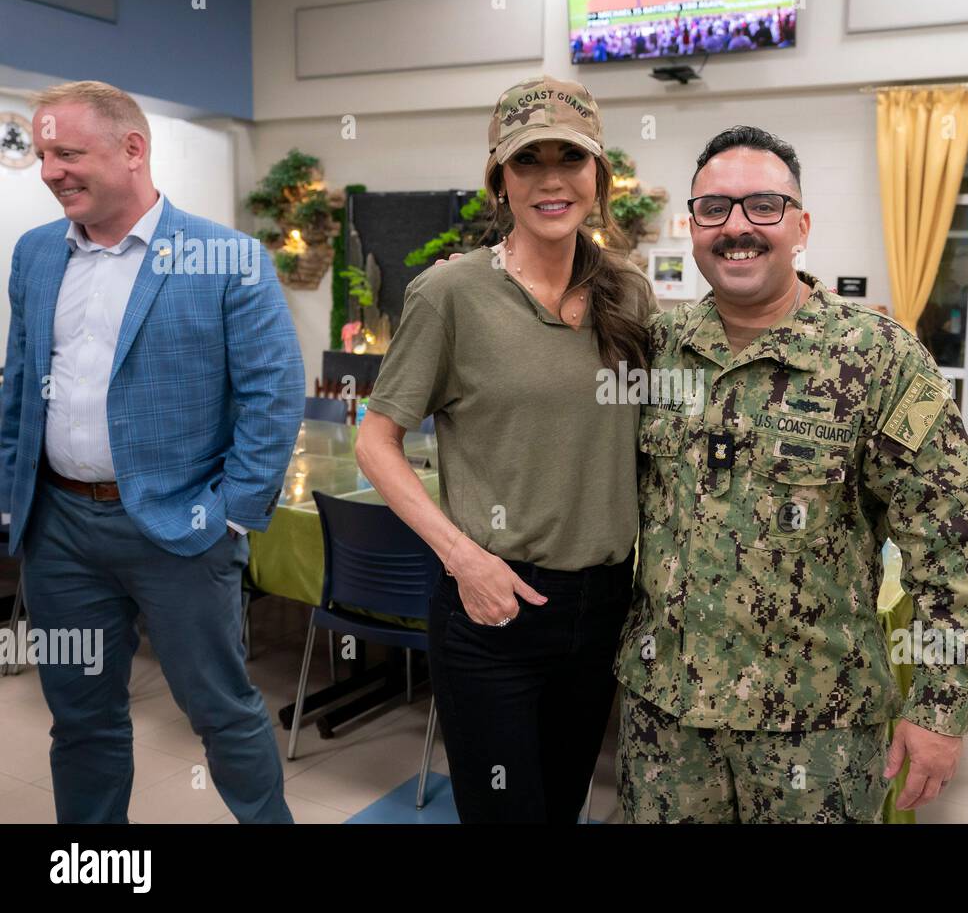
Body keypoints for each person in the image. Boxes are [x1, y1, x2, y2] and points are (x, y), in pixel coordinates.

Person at [615, 126, 968, 823]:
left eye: (763, 206)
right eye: (714, 209)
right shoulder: (658, 351)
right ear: (692, 226)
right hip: (666, 724)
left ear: (801, 225)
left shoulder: (879, 359)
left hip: (817, 729)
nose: (737, 227)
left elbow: (959, 551)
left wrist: (942, 711)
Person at [0, 80, 303, 823]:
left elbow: (275, 394)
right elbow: (18, 381)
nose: (50, 171)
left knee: (222, 714)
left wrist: (231, 514)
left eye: (69, 153)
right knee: (80, 717)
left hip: (181, 531)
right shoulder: (36, 254)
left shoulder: (227, 258)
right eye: (43, 155)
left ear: (133, 148)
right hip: (60, 532)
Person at [356, 75, 654, 824]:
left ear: (598, 177)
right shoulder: (450, 294)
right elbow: (376, 439)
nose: (551, 180)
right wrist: (464, 558)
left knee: (562, 807)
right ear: (499, 180)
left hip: (604, 604)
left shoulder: (629, 291)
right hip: (494, 604)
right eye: (528, 162)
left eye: (571, 159)